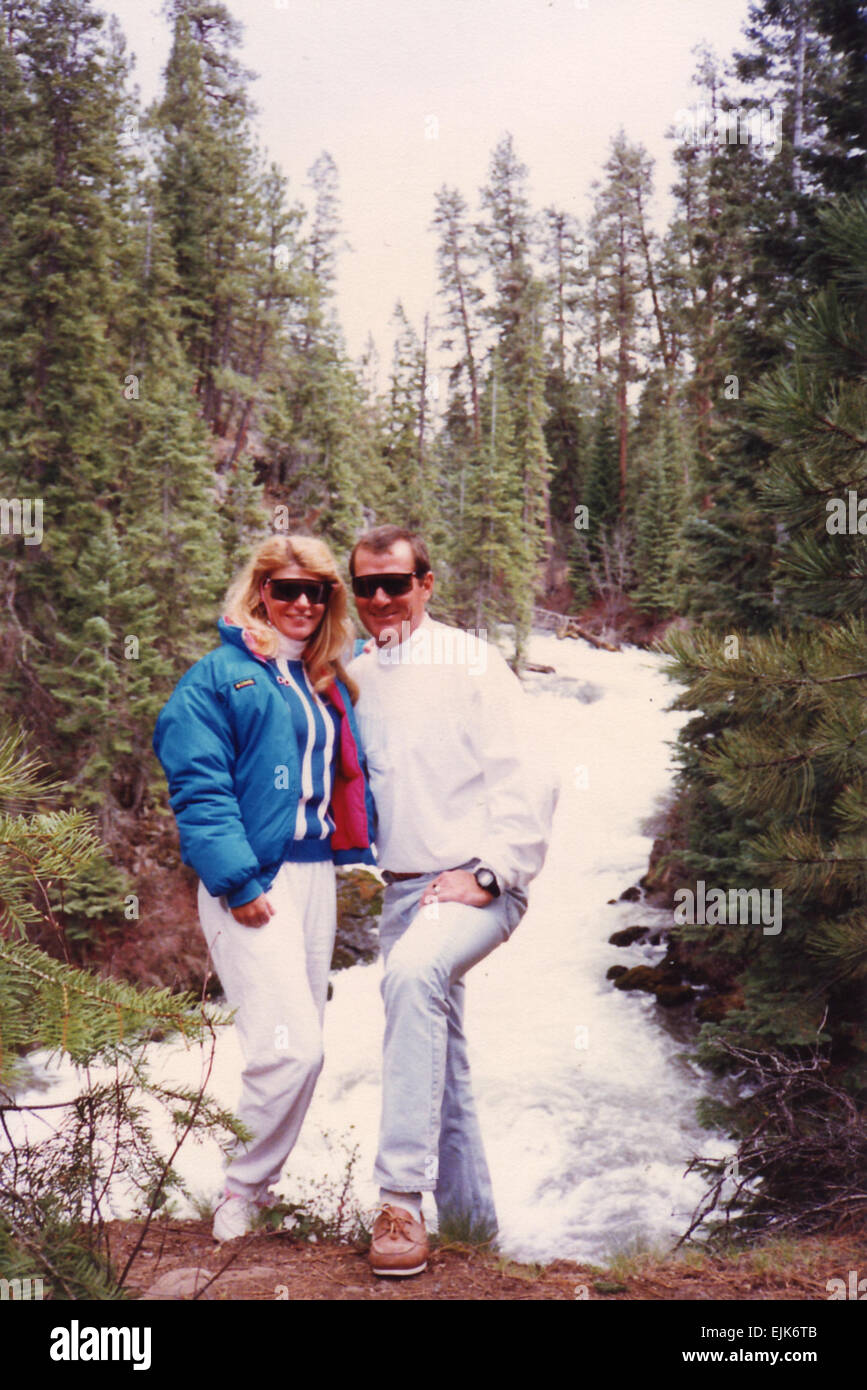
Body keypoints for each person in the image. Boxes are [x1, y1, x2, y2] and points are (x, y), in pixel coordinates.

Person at [153, 534, 376, 1243]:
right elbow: (200, 787)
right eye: (287, 589)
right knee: (290, 1049)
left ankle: (255, 1188)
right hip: (254, 879)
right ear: (259, 594)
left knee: (305, 1043)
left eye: (318, 591)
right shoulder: (220, 677)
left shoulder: (322, 678)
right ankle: (238, 1193)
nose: (303, 602)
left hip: (317, 874)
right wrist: (236, 879)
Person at [347, 524, 554, 1277]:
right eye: (364, 585)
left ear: (426, 584)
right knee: (443, 1064)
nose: (379, 598)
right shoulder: (357, 670)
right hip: (402, 891)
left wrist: (494, 874)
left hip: (474, 885)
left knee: (409, 978)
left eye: (394, 583)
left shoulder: (471, 662)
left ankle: (400, 1199)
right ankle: (473, 1235)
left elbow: (532, 777)